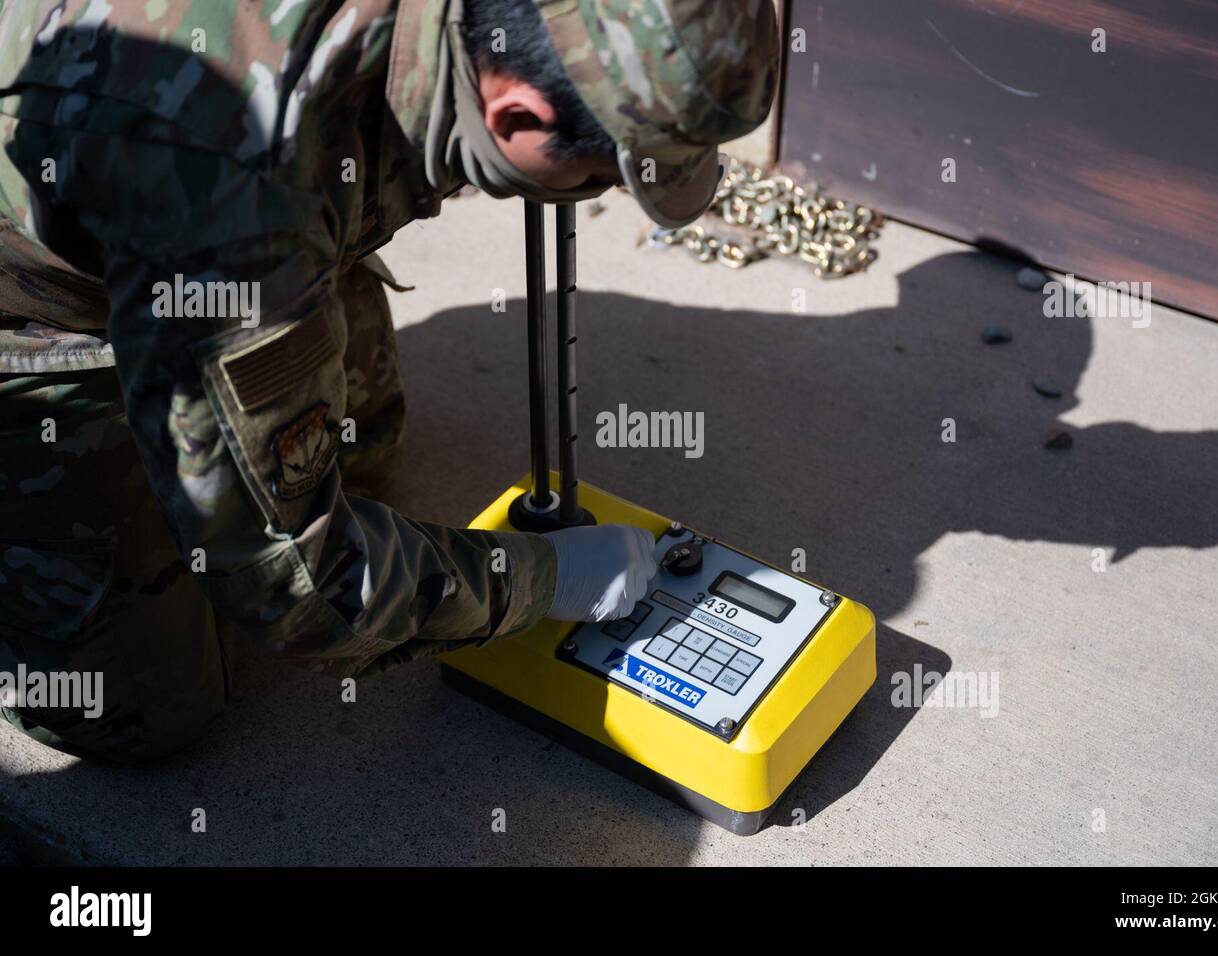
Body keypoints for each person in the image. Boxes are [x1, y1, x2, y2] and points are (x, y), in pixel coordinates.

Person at [0, 0, 778, 762]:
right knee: (145, 709)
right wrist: (543, 580)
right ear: (514, 118)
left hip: (194, 197)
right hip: (41, 304)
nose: (597, 192)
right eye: (601, 172)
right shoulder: (240, 185)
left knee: (364, 448)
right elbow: (299, 579)